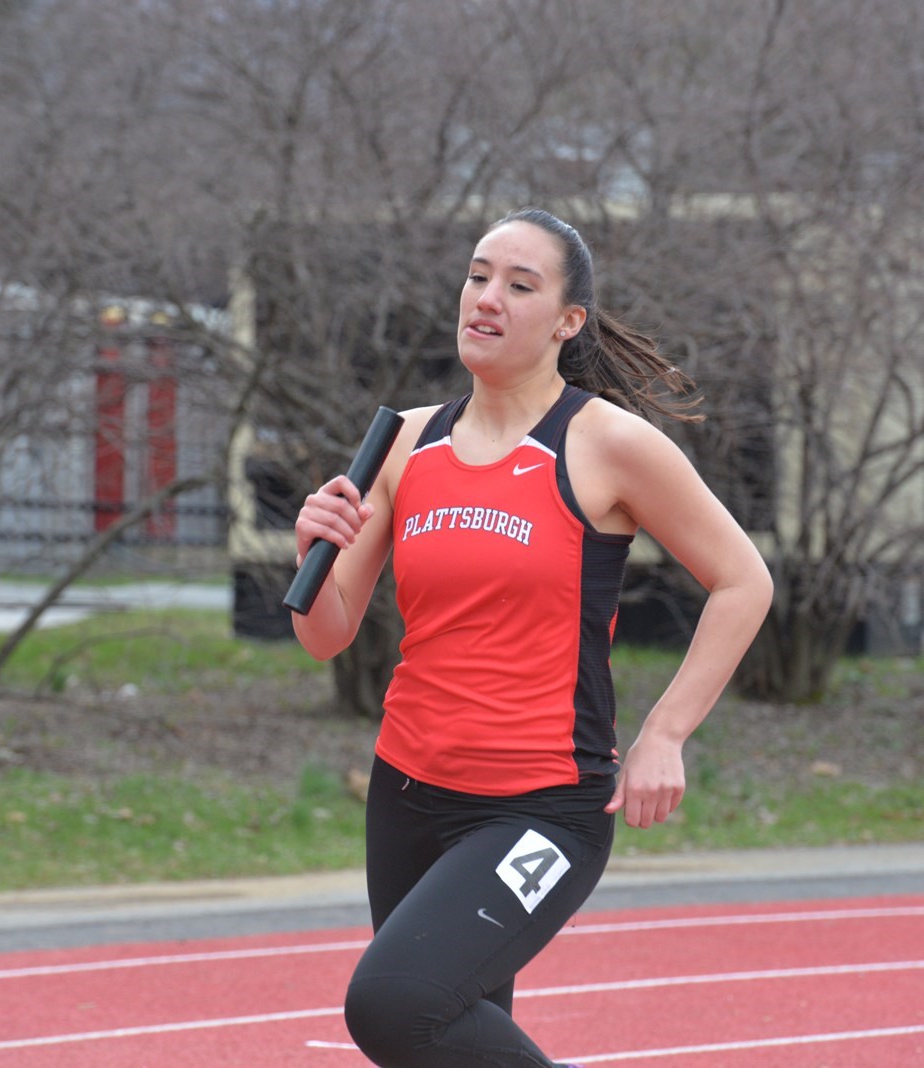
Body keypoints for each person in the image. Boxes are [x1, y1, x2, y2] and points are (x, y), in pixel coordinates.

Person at [291, 207, 774, 1067]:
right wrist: (312, 553)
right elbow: (326, 636)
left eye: (520, 285)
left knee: (395, 1006)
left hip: (541, 809)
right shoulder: (405, 442)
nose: (488, 297)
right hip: (406, 795)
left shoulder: (607, 445)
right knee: (440, 1041)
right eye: (478, 276)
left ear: (567, 321)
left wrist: (666, 735)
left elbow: (744, 581)